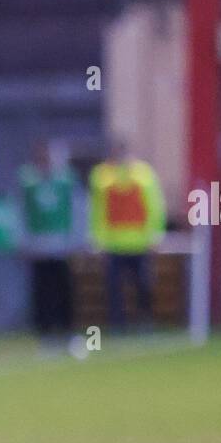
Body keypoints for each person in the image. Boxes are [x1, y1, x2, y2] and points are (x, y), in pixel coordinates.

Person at [89, 140, 166, 332]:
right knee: (114, 288)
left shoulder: (143, 174)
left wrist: (155, 234)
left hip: (139, 242)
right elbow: (98, 210)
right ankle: (117, 325)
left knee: (143, 285)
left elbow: (154, 206)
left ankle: (144, 321)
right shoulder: (102, 176)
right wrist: (97, 239)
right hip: (113, 243)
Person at [19, 140, 80, 342]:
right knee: (42, 292)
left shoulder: (64, 180)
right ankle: (45, 333)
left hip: (60, 243)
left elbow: (76, 209)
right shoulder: (28, 181)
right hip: (38, 244)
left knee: (64, 290)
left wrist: (76, 239)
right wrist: (23, 240)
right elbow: (22, 212)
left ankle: (68, 331)